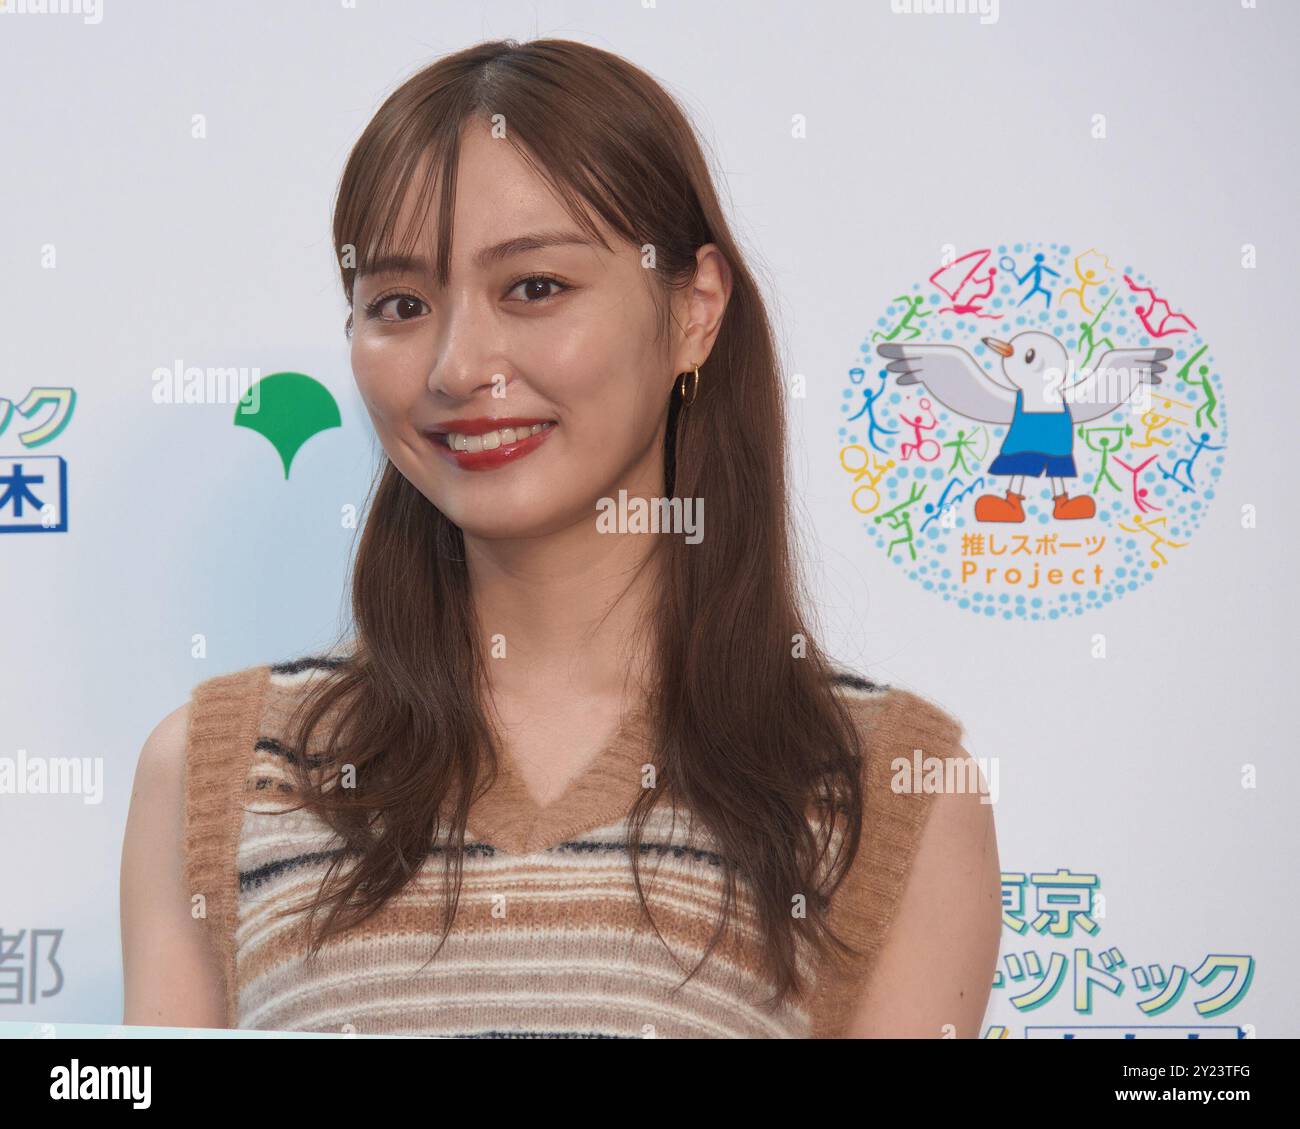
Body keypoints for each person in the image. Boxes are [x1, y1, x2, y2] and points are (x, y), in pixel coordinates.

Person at [120, 37, 1000, 1038]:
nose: (458, 365)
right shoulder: (220, 767)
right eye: (400, 305)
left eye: (533, 287)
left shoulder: (879, 779)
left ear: (693, 309)